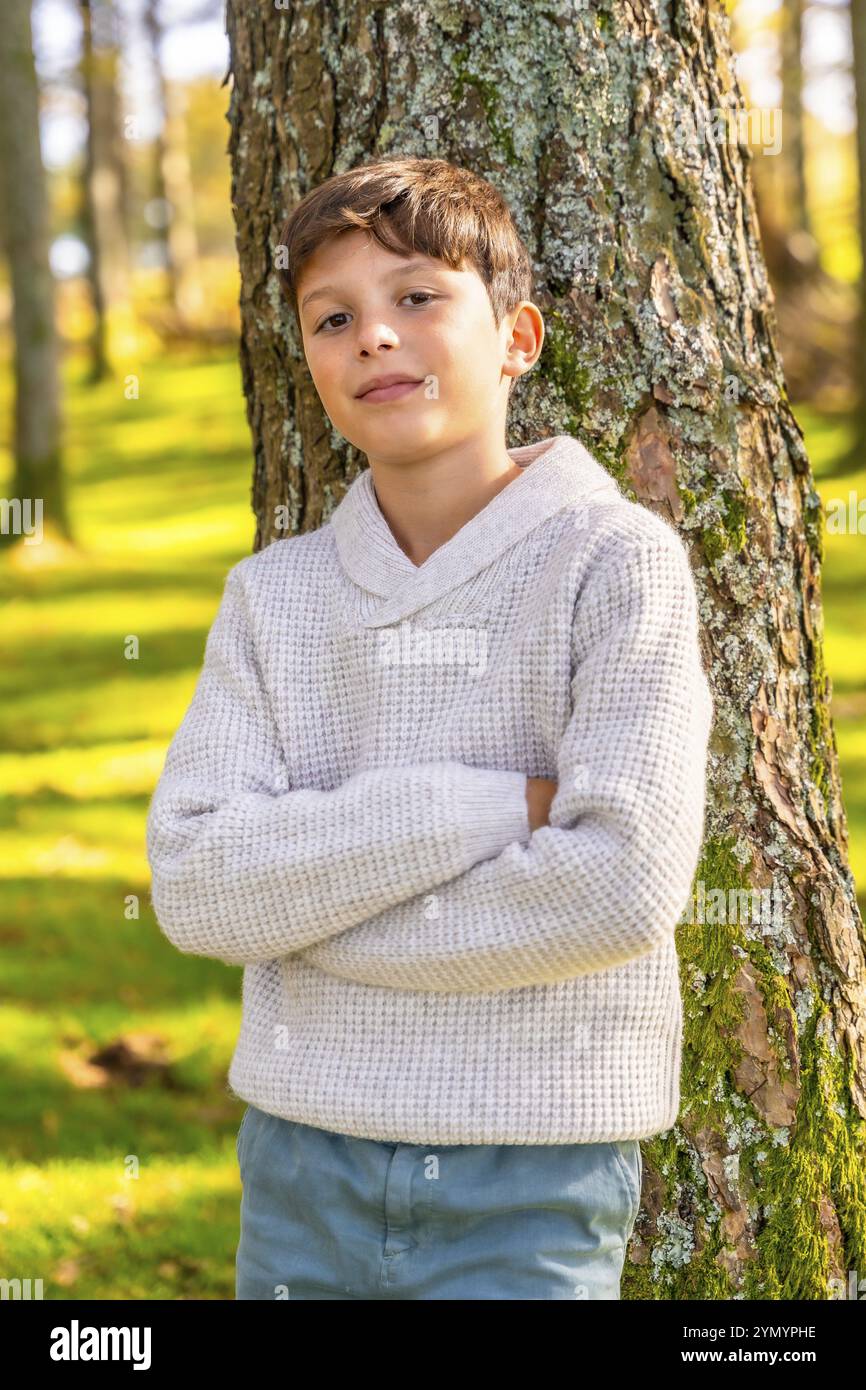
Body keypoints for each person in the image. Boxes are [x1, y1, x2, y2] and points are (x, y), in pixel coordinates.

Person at [145, 156, 714, 1300]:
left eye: (416, 298)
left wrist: (303, 917)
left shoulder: (613, 564)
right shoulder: (274, 597)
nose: (373, 338)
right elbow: (200, 886)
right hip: (302, 1156)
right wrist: (493, 805)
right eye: (333, 317)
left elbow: (617, 886)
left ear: (516, 337)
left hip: (535, 1166)